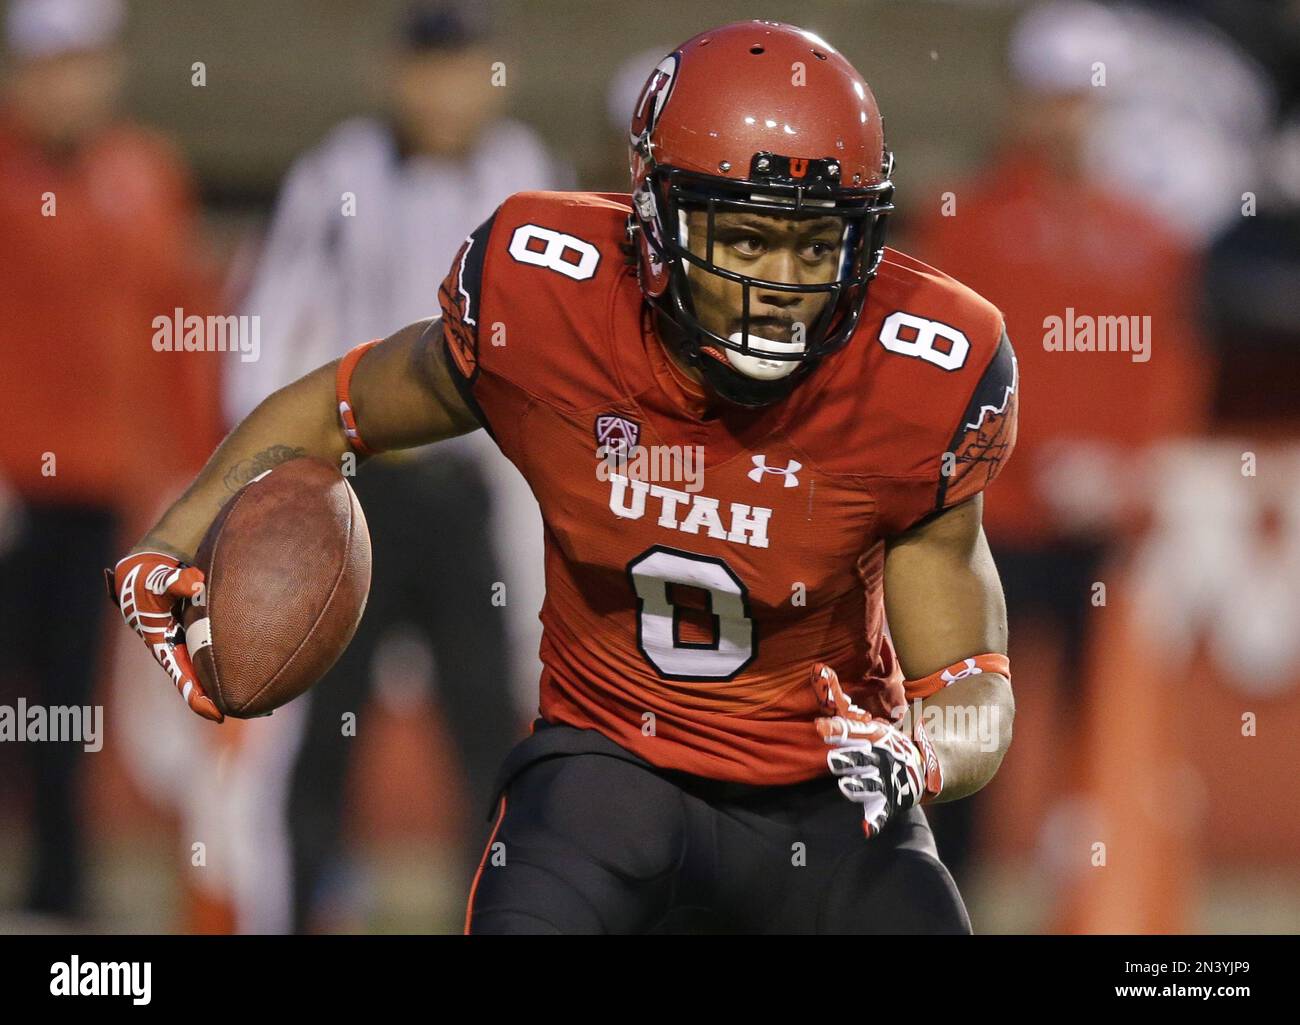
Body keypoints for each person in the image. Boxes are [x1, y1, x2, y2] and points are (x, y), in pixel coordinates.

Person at [108, 21, 1019, 935]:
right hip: (611, 773)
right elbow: (341, 403)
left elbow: (976, 687)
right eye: (744, 242)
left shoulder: (918, 372)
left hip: (826, 801)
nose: (782, 284)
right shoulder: (552, 302)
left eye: (816, 246)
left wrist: (920, 750)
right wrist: (173, 541)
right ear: (658, 224)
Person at [213, 2, 567, 934]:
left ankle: (496, 917)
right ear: (396, 75)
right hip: (359, 487)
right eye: (430, 69)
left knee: (490, 725)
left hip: (466, 487)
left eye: (465, 69)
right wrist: (272, 470)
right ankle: (293, 911)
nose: (446, 94)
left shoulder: (526, 176)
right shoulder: (340, 171)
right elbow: (265, 317)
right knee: (322, 718)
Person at [0, 0, 220, 921]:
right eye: (50, 66)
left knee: (65, 704)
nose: (68, 85)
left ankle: (60, 892)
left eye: (83, 63)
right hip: (9, 478)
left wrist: (197, 467)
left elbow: (177, 328)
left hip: (96, 484)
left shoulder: (149, 174)